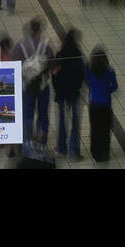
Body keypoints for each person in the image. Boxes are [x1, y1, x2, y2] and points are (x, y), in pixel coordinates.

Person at [13, 18, 55, 146]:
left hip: (27, 86)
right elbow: (52, 66)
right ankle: (42, 141)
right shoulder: (46, 46)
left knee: (27, 114)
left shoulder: (20, 46)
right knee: (43, 115)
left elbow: (15, 65)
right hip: (43, 86)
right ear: (39, 30)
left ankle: (27, 141)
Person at [52, 28, 85, 160]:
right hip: (74, 93)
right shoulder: (78, 55)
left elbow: (54, 75)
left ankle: (61, 148)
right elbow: (82, 75)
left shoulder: (60, 55)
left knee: (61, 121)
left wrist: (56, 88)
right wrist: (78, 87)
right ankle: (74, 152)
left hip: (61, 94)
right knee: (76, 123)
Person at [86, 46, 118, 162]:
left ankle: (95, 152)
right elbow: (114, 86)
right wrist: (106, 90)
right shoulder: (110, 71)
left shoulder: (90, 70)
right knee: (105, 129)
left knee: (95, 128)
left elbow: (86, 78)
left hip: (93, 104)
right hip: (105, 104)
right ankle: (105, 151)